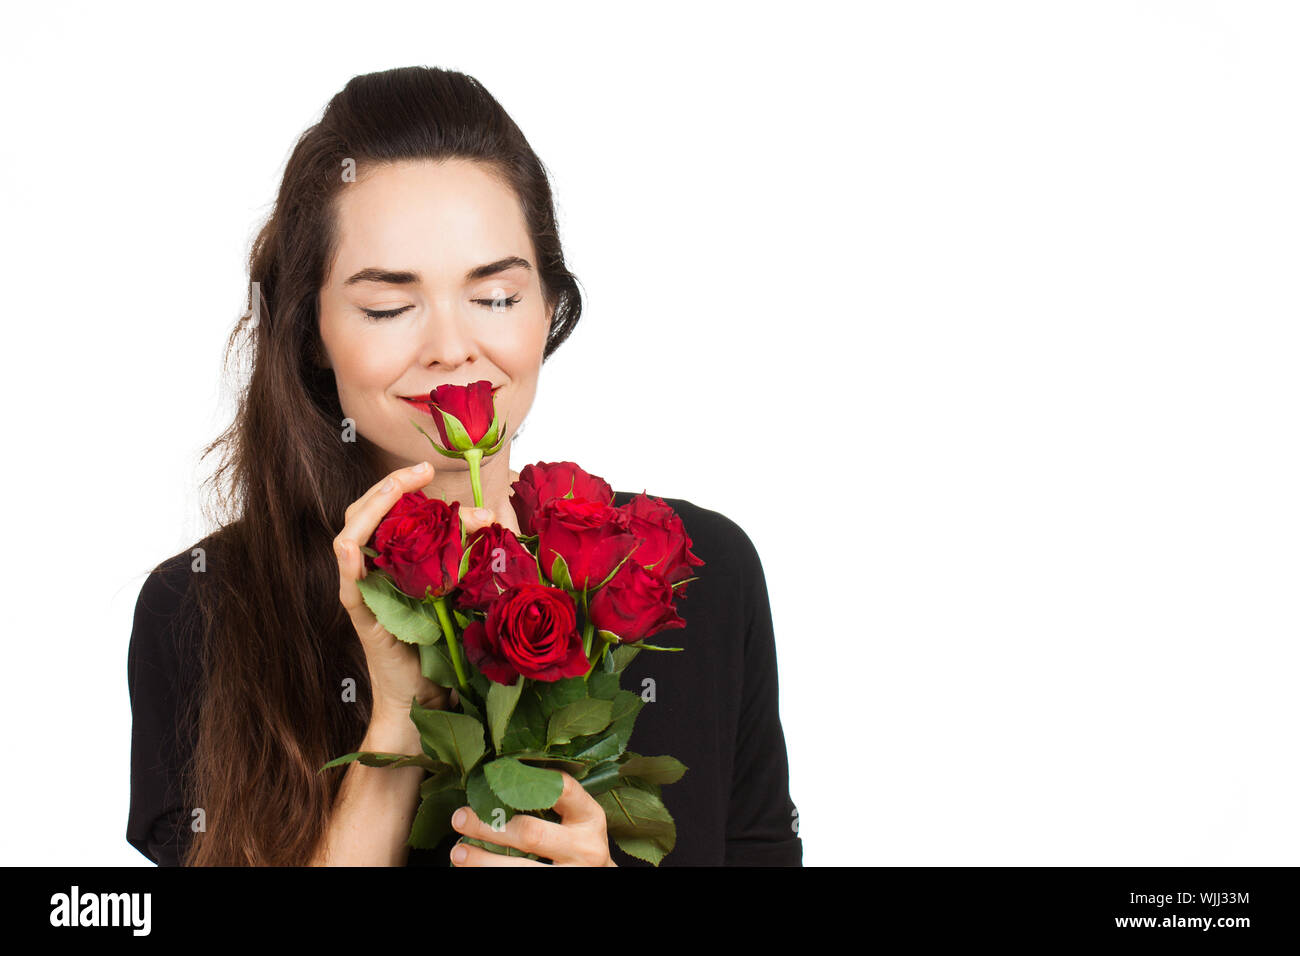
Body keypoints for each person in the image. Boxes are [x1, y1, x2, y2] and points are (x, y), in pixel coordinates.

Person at [126, 66, 801, 867]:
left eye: (496, 297)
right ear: (310, 330)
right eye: (388, 306)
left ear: (551, 306)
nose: (451, 348)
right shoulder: (201, 608)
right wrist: (397, 716)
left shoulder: (690, 568)